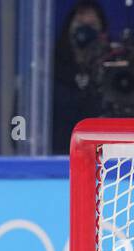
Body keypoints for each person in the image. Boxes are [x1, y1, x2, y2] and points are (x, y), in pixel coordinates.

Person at [52, 1, 108, 155]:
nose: (85, 31)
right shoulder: (49, 69)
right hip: (57, 156)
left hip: (101, 159)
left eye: (91, 25)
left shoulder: (111, 69)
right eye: (80, 24)